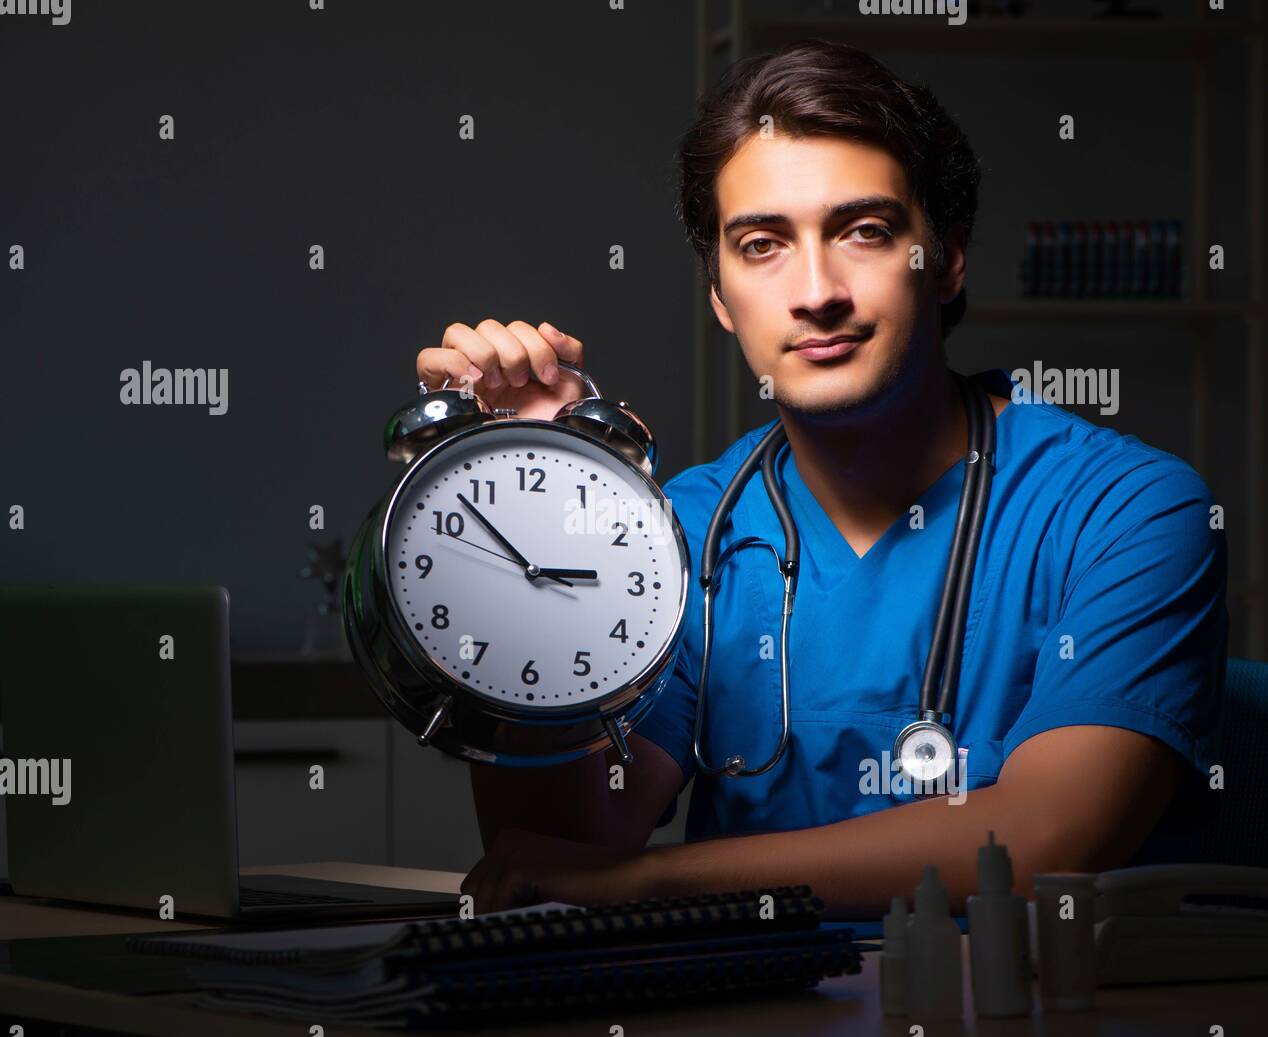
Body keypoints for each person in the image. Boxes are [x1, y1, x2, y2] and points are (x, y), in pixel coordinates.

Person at [414, 40, 1227, 916]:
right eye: (761, 245)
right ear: (721, 296)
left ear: (947, 258)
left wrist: (644, 885)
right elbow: (561, 843)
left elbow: (1047, 837)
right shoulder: (679, 534)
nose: (816, 291)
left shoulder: (1126, 510)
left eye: (865, 232)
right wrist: (535, 503)